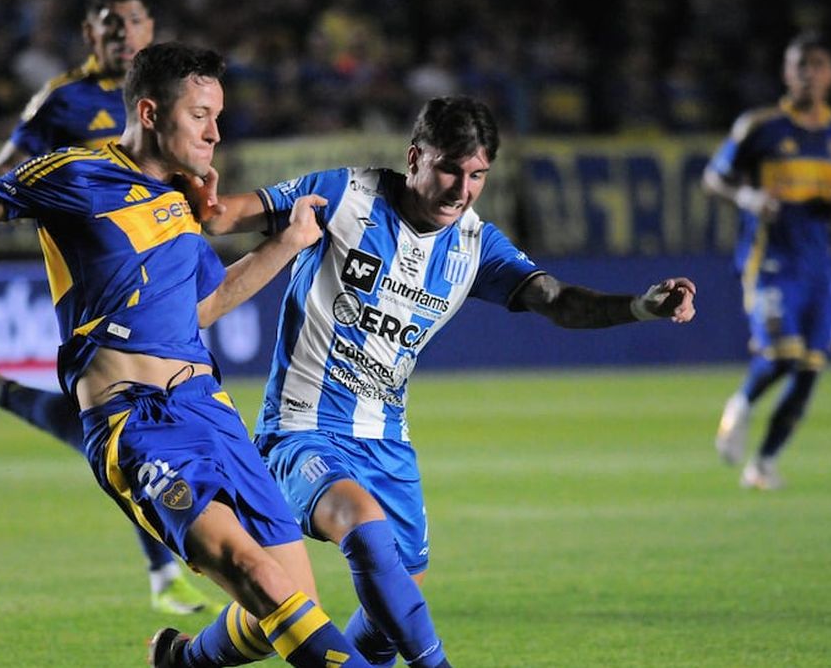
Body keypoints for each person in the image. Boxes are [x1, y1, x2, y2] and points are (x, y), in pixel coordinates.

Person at [0, 42, 371, 668]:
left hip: (211, 410)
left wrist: (290, 242)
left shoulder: (180, 204)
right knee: (257, 575)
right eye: (200, 115)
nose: (215, 133)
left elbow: (207, 304)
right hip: (136, 422)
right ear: (149, 112)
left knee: (290, 603)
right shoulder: (77, 174)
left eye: (217, 115)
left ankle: (179, 662)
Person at [150, 95, 697, 667]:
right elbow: (224, 215)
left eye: (478, 175)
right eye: (449, 169)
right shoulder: (348, 195)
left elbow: (555, 300)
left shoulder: (475, 244)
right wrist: (189, 186)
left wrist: (639, 306)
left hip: (389, 445)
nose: (461, 189)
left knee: (374, 612)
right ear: (415, 157)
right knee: (365, 533)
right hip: (302, 429)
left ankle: (184, 661)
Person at [0, 0, 211, 614]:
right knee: (128, 411)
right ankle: (169, 572)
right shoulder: (63, 101)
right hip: (96, 267)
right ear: (90, 33)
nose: (127, 33)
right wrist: (46, 196)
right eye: (114, 25)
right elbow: (0, 171)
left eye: (137, 21)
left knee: (123, 415)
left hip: (162, 259)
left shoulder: (170, 91)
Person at [703, 32, 831, 490]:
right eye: (798, 65)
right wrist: (748, 196)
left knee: (810, 367)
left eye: (816, 65)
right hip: (770, 259)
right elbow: (713, 178)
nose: (807, 74)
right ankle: (740, 404)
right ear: (785, 73)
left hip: (819, 266)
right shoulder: (760, 127)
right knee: (781, 355)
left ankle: (763, 464)